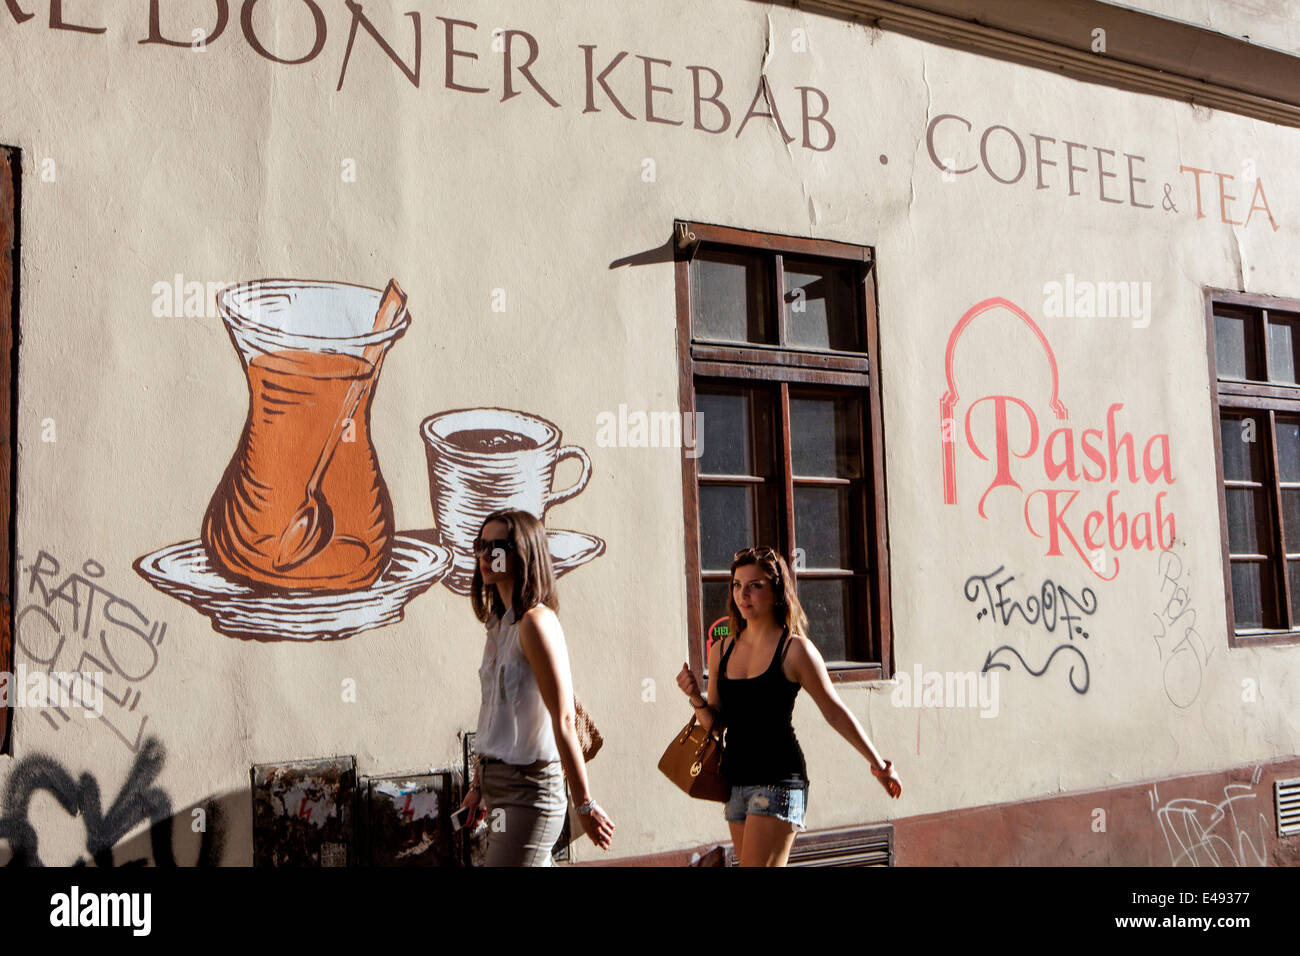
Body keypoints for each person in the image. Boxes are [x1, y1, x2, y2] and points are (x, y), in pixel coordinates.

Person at [676, 546, 902, 867]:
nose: (744, 594)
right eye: (738, 585)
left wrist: (879, 764)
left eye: (755, 585)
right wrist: (695, 698)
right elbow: (715, 723)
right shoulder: (721, 649)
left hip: (779, 781)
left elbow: (834, 711)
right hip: (736, 785)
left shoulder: (795, 650)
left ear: (777, 590)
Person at [458, 508, 614, 865]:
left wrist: (585, 804)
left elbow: (563, 721)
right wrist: (478, 786)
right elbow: (492, 716)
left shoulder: (536, 623)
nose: (484, 555)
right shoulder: (500, 624)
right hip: (498, 789)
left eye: (495, 547)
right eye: (480, 545)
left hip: (529, 792)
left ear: (523, 553)